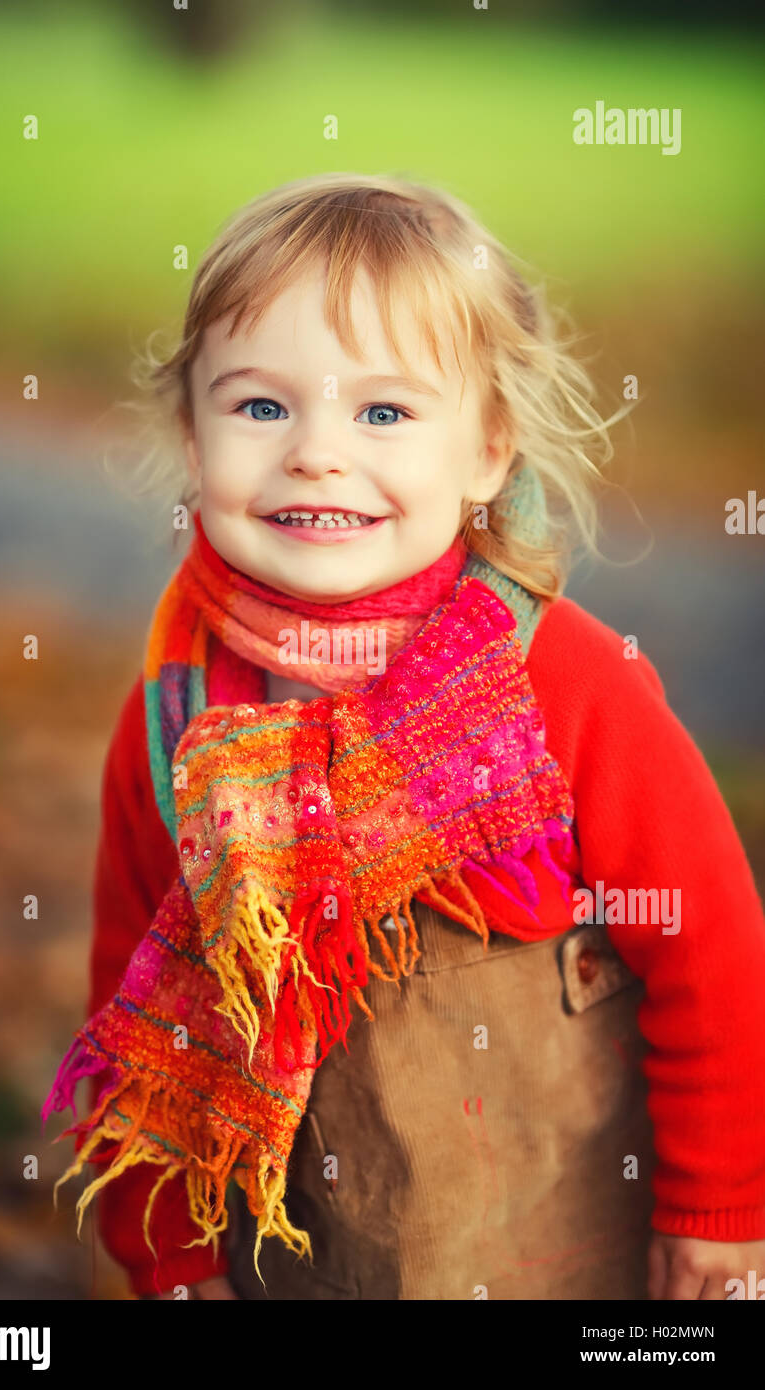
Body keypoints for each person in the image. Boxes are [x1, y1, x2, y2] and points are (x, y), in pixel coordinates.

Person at [43, 173, 765, 1301]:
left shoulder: (563, 682)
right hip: (298, 1266)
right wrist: (172, 1264)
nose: (316, 453)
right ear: (191, 437)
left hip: (565, 1255)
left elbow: (710, 949)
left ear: (485, 451)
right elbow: (140, 1032)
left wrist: (717, 1206)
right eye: (259, 406)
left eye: (381, 411)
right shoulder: (178, 721)